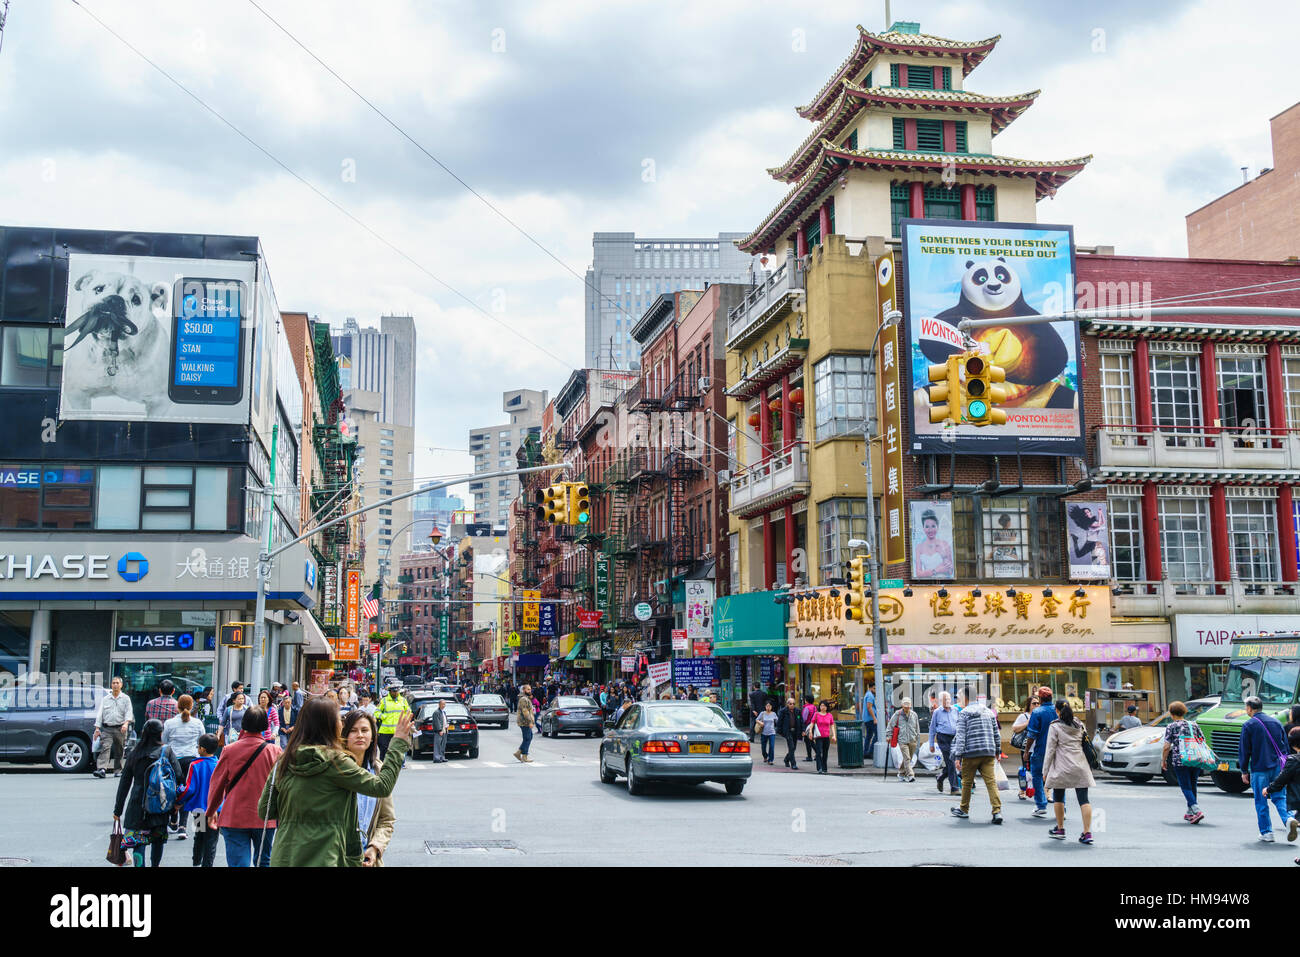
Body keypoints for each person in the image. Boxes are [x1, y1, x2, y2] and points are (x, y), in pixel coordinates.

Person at [258, 697, 411, 867]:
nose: (341, 724)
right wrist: (397, 743)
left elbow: (265, 811)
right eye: (338, 719)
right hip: (325, 857)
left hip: (285, 857)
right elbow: (382, 787)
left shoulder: (284, 761)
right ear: (329, 725)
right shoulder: (336, 762)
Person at [207, 707, 281, 867]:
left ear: (243, 723)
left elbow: (217, 783)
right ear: (265, 726)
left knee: (238, 863)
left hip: (234, 816)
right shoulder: (274, 751)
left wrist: (211, 810)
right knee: (264, 861)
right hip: (265, 817)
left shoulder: (229, 750)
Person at [112, 718, 181, 867]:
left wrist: (118, 809)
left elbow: (124, 783)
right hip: (159, 804)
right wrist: (176, 805)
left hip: (137, 804)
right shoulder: (166, 751)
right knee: (157, 840)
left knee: (138, 841)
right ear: (160, 734)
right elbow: (179, 776)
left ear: (143, 733)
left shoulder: (135, 752)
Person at [341, 709, 397, 866]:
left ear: (372, 736)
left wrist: (375, 847)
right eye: (353, 731)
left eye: (365, 730)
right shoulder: (335, 770)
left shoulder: (378, 771)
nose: (360, 735)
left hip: (367, 860)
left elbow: (387, 819)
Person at [1043, 699, 1095, 845]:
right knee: (1084, 800)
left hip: (1062, 766)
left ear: (1057, 711)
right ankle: (1087, 832)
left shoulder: (1055, 726)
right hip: (1080, 766)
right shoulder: (1080, 724)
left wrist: (1045, 770)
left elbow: (1050, 750)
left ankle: (1060, 829)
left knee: (1058, 796)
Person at [1239, 696, 1291, 842]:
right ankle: (1288, 820)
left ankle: (1267, 832)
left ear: (1249, 708)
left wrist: (1244, 770)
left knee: (1260, 801)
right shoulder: (1276, 722)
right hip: (1277, 767)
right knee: (1280, 797)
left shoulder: (1249, 725)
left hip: (1259, 768)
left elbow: (1244, 750)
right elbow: (1285, 746)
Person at [949, 690, 1003, 825]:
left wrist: (958, 756)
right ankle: (997, 811)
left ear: (965, 698)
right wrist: (998, 750)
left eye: (960, 697)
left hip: (971, 752)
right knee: (991, 783)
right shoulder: (989, 712)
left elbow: (961, 736)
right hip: (988, 752)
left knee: (967, 783)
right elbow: (996, 733)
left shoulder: (964, 713)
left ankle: (964, 809)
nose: (959, 700)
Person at [162, 693, 205, 836]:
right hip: (192, 760)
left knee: (173, 790)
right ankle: (189, 827)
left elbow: (164, 741)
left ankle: (173, 820)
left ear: (177, 706)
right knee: (193, 791)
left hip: (174, 760)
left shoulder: (169, 723)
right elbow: (202, 740)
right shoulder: (197, 723)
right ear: (192, 706)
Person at [176, 733, 220, 866]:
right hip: (216, 810)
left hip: (199, 809)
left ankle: (196, 862)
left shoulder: (195, 764)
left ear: (202, 749)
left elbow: (189, 788)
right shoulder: (219, 764)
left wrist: (179, 800)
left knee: (199, 835)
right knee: (211, 840)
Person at [1161, 701, 1205, 824]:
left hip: (1180, 760)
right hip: (1195, 759)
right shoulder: (1193, 725)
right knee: (1192, 785)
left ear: (1171, 713)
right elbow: (1202, 740)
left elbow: (1166, 746)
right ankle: (1190, 812)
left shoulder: (1171, 726)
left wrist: (1163, 760)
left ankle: (1196, 810)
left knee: (1185, 786)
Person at [1024, 687, 1058, 818]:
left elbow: (1032, 734)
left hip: (1041, 749)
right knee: (1057, 777)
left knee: (1037, 775)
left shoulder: (1037, 712)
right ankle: (1062, 807)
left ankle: (1041, 805)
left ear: (1040, 698)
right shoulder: (1057, 710)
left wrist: (1027, 750)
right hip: (1056, 749)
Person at [93, 676, 133, 778]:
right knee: (105, 747)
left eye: (117, 683)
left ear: (121, 685)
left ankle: (118, 770)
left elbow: (129, 712)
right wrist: (97, 729)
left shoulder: (126, 699)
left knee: (120, 749)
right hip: (107, 728)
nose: (115, 685)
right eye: (113, 683)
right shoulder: (105, 699)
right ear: (111, 685)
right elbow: (100, 714)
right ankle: (102, 769)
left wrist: (126, 723)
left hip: (120, 728)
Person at [929, 691, 960, 794]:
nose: (947, 701)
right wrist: (931, 744)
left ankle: (941, 777)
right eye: (944, 699)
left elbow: (960, 724)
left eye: (948, 699)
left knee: (952, 763)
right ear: (940, 701)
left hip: (954, 739)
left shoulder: (955, 710)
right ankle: (954, 788)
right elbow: (932, 729)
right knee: (951, 761)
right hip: (943, 738)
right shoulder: (937, 712)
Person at [913, 509, 954, 579]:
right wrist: (936, 571)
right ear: (923, 528)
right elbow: (918, 573)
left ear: (937, 527)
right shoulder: (919, 548)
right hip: (926, 585)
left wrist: (944, 556)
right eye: (927, 526)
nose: (930, 530)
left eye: (933, 526)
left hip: (943, 584)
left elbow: (950, 571)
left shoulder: (944, 544)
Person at [887, 697, 921, 782]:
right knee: (907, 758)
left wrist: (917, 738)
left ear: (911, 705)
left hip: (913, 740)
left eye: (908, 705)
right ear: (902, 705)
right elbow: (890, 725)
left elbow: (917, 727)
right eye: (905, 705)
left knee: (907, 758)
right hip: (902, 740)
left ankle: (901, 773)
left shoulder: (914, 715)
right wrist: (888, 735)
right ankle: (910, 775)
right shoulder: (897, 714)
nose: (907, 707)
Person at [375, 684, 410, 760]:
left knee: (397, 749)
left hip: (398, 731)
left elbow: (408, 712)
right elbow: (377, 712)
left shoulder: (403, 700)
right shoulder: (384, 701)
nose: (396, 693)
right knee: (384, 750)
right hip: (386, 731)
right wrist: (383, 717)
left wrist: (404, 719)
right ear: (390, 692)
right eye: (394, 692)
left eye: (397, 691)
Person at [1011, 696, 1035, 801]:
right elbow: (1015, 729)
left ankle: (1045, 792)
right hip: (1026, 748)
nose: (1037, 705)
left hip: (1039, 748)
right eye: (1034, 703)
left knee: (1042, 771)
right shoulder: (1023, 716)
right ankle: (1022, 791)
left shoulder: (1041, 715)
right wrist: (1027, 723)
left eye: (1038, 703)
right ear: (1029, 705)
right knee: (1025, 770)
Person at [809, 700, 836, 774]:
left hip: (826, 736)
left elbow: (832, 725)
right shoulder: (816, 714)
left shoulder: (829, 715)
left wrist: (834, 735)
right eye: (821, 705)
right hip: (818, 736)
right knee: (819, 752)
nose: (822, 707)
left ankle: (824, 768)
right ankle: (819, 768)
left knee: (825, 752)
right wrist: (810, 732)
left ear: (827, 707)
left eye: (824, 706)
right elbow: (812, 723)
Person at [776, 697, 801, 770]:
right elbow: (779, 722)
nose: (792, 705)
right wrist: (780, 731)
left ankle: (786, 759)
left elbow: (800, 721)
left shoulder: (798, 711)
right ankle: (793, 764)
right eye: (790, 704)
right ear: (787, 704)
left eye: (793, 704)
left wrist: (802, 730)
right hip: (787, 731)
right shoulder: (783, 711)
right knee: (791, 747)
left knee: (794, 748)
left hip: (795, 731)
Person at [515, 683, 536, 763]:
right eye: (528, 689)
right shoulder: (523, 699)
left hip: (525, 721)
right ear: (523, 690)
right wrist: (530, 721)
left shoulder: (525, 698)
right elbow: (525, 712)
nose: (530, 691)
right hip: (524, 722)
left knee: (529, 737)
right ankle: (524, 756)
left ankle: (519, 752)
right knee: (527, 738)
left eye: (530, 689)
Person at [858, 684, 878, 761]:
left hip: (867, 719)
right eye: (874, 688)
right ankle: (870, 752)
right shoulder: (870, 695)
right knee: (877, 735)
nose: (875, 690)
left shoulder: (867, 694)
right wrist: (874, 718)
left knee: (869, 735)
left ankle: (865, 752)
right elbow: (869, 707)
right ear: (870, 688)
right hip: (870, 719)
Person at [430, 699, 451, 763]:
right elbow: (436, 722)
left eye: (444, 704)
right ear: (439, 705)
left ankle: (442, 757)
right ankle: (437, 758)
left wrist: (447, 726)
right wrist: (439, 730)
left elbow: (444, 721)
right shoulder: (436, 712)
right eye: (442, 704)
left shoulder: (443, 712)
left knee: (443, 745)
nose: (443, 705)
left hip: (444, 730)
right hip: (439, 731)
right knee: (437, 745)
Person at [801, 694, 816, 762]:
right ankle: (815, 754)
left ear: (806, 700)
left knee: (808, 741)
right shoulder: (814, 707)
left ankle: (811, 756)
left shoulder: (806, 708)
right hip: (813, 725)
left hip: (807, 726)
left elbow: (804, 719)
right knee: (811, 740)